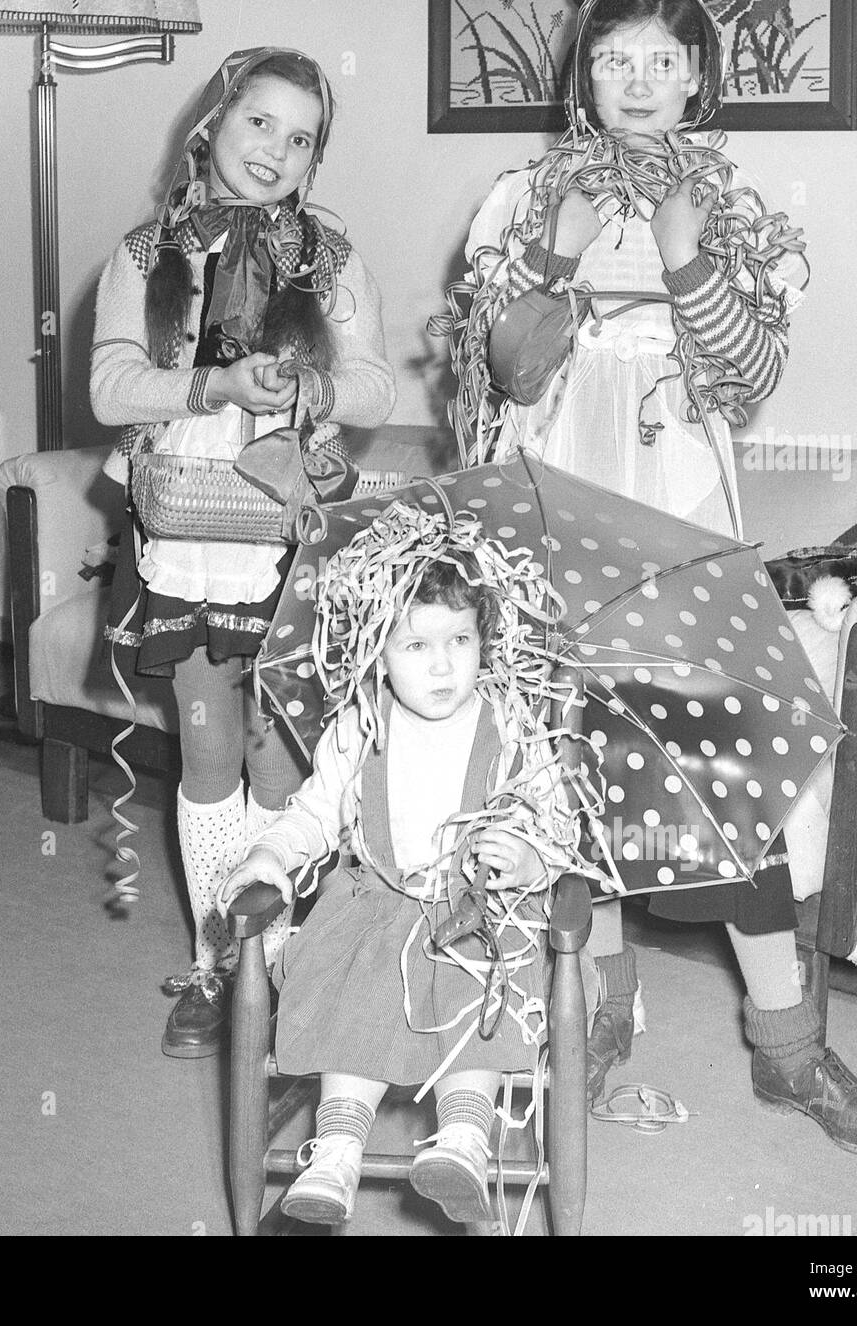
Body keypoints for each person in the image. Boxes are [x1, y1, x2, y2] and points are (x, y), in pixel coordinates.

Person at [450, 0, 857, 1156]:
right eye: (614, 59)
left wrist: (680, 248)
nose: (639, 80)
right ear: (583, 73)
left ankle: (788, 1052)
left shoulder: (734, 204)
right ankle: (596, 1031)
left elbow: (750, 378)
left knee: (726, 788)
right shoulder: (521, 193)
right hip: (556, 526)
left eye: (663, 59)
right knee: (571, 785)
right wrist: (555, 248)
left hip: (684, 535)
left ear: (699, 73)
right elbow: (502, 372)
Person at [91, 47, 395, 1059]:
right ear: (214, 123)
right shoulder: (141, 255)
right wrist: (212, 390)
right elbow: (108, 388)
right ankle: (217, 962)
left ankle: (279, 966)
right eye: (259, 122)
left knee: (277, 756)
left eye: (299, 136)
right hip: (184, 531)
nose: (274, 149)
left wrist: (306, 390)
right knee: (207, 750)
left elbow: (375, 390)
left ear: (313, 162)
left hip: (287, 537)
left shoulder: (334, 258)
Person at [218, 507, 589, 1227]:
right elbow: (314, 813)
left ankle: (462, 1140)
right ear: (373, 652)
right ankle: (335, 1152)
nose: (444, 664)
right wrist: (269, 853)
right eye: (416, 644)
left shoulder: (510, 725)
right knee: (353, 997)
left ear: (487, 640)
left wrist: (527, 859)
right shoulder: (361, 724)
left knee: (479, 998)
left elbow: (559, 830)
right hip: (375, 905)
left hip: (479, 916)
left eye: (460, 640)